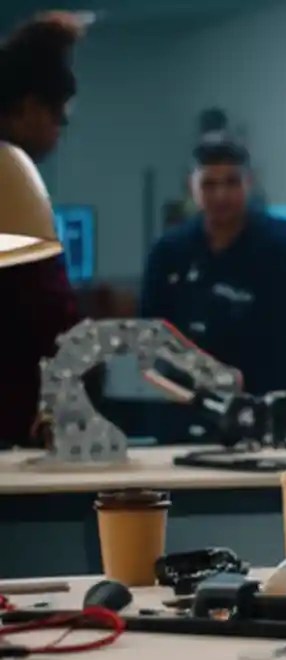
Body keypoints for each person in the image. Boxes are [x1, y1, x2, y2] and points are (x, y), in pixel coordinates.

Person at [140, 136, 286, 396]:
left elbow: (275, 329)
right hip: (186, 398)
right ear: (192, 187)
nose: (221, 195)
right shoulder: (169, 250)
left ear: (248, 183)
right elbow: (152, 328)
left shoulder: (283, 247)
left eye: (231, 182)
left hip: (260, 395)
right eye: (209, 184)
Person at [0, 12, 87, 446]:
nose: (60, 128)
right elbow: (46, 311)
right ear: (31, 106)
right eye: (58, 115)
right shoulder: (9, 169)